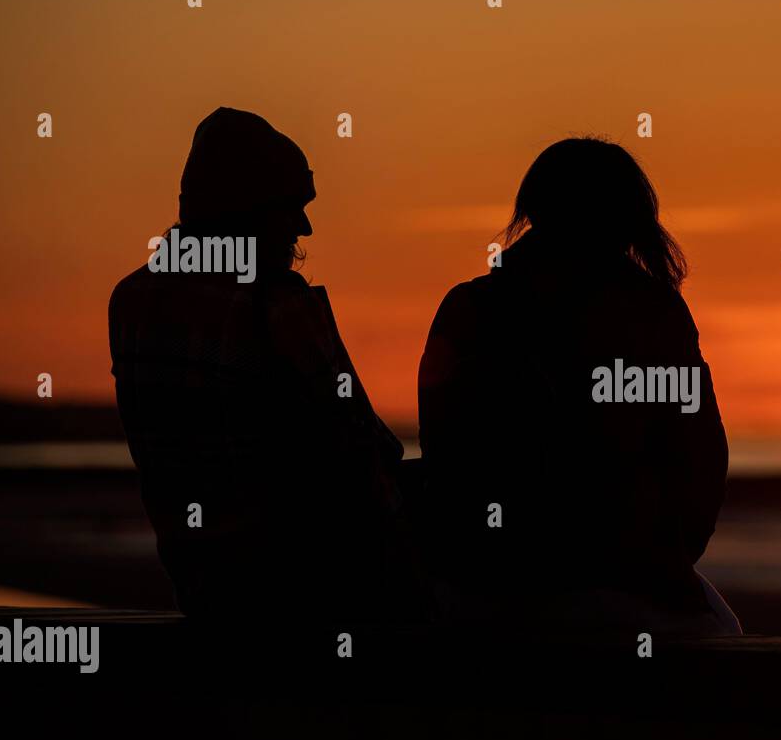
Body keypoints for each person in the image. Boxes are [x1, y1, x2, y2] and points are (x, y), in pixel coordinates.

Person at [416, 137, 740, 635]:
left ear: (534, 212)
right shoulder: (650, 313)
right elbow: (698, 457)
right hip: (610, 584)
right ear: (630, 220)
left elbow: (443, 446)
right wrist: (664, 561)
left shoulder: (469, 306)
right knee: (723, 637)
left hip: (471, 581)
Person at [109, 107, 422, 620]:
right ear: (245, 212)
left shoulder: (129, 300)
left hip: (200, 588)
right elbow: (365, 452)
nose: (305, 227)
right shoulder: (275, 304)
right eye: (291, 208)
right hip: (303, 591)